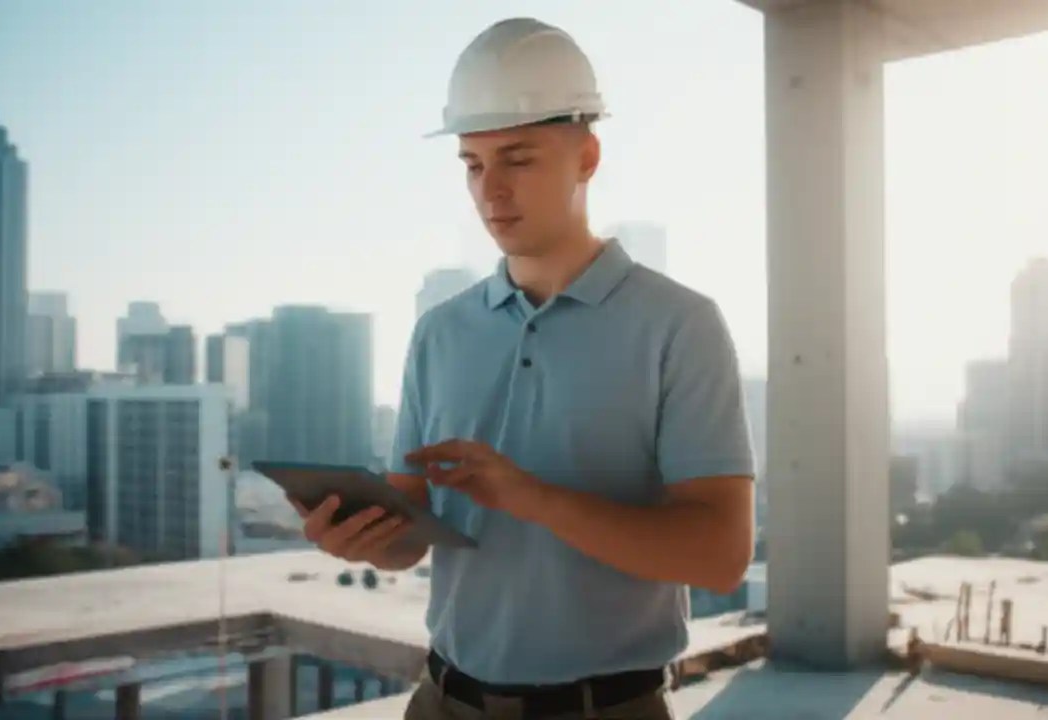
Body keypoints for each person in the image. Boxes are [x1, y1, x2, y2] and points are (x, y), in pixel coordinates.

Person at [292, 17, 755, 720]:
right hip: (442, 701)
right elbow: (411, 534)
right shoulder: (440, 332)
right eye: (473, 164)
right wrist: (359, 537)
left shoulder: (679, 324)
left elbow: (720, 555)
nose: (490, 190)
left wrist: (533, 498)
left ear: (588, 156)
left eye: (519, 158)